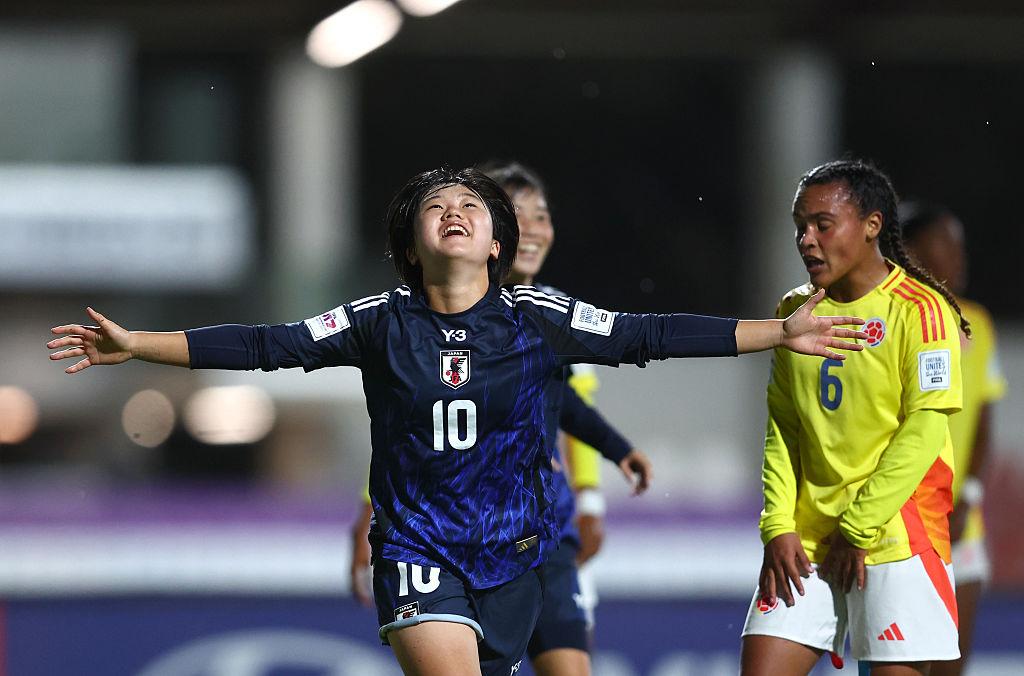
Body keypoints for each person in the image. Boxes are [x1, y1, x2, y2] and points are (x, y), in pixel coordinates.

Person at [49, 166, 866, 676]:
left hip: (514, 559)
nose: (453, 210)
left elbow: (640, 336)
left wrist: (779, 331)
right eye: (435, 204)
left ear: (494, 241)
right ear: (411, 243)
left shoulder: (537, 315)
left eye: (469, 204)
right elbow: (272, 345)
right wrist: (137, 346)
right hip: (417, 552)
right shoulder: (378, 320)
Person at [740, 160, 970, 676]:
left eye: (823, 224)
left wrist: (859, 527)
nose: (806, 239)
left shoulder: (920, 310)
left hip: (894, 538)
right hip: (808, 542)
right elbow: (784, 426)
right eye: (800, 225)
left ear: (871, 225)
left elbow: (925, 428)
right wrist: (777, 525)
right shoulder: (796, 310)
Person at [900, 202, 1007, 676]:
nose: (959, 258)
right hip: (901, 524)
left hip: (961, 522)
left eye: (959, 246)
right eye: (946, 245)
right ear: (911, 252)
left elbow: (984, 425)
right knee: (898, 663)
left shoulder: (978, 325)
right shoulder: (891, 321)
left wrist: (968, 496)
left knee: (949, 666)